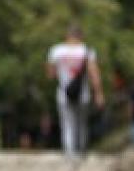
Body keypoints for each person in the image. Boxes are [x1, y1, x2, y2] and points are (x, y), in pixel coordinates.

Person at [45, 24, 105, 159]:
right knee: (81, 123)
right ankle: (81, 151)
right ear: (80, 36)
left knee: (67, 124)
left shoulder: (56, 51)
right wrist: (99, 94)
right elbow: (94, 73)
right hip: (83, 94)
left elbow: (50, 74)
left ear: (67, 35)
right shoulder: (87, 50)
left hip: (64, 93)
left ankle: (70, 153)